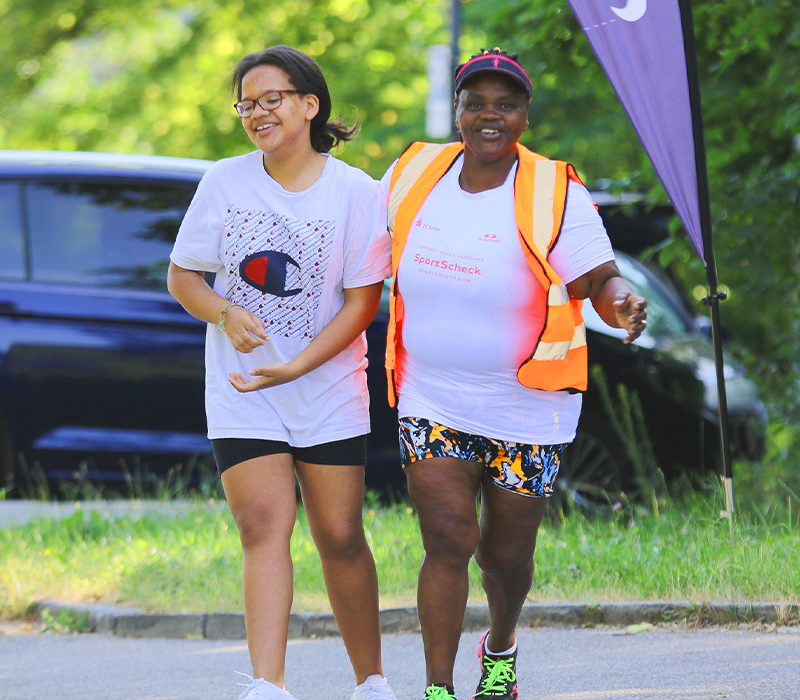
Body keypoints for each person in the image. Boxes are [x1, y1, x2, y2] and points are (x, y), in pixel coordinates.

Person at [382, 48, 648, 700]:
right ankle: (438, 689)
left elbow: (598, 279)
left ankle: (499, 646)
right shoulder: (413, 171)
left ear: (525, 114)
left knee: (504, 556)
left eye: (505, 103)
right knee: (447, 539)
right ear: (460, 110)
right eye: (476, 102)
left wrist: (621, 303)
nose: (489, 115)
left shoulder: (557, 190)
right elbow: (360, 252)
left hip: (528, 405)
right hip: (430, 395)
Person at [168, 45, 397, 700]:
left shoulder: (356, 192)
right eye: (246, 102)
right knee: (263, 527)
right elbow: (183, 276)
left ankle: (371, 680)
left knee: (340, 534)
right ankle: (267, 685)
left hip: (326, 389)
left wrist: (297, 364)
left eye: (271, 98)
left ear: (309, 104)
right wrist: (222, 313)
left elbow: (361, 303)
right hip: (245, 391)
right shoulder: (225, 181)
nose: (257, 111)